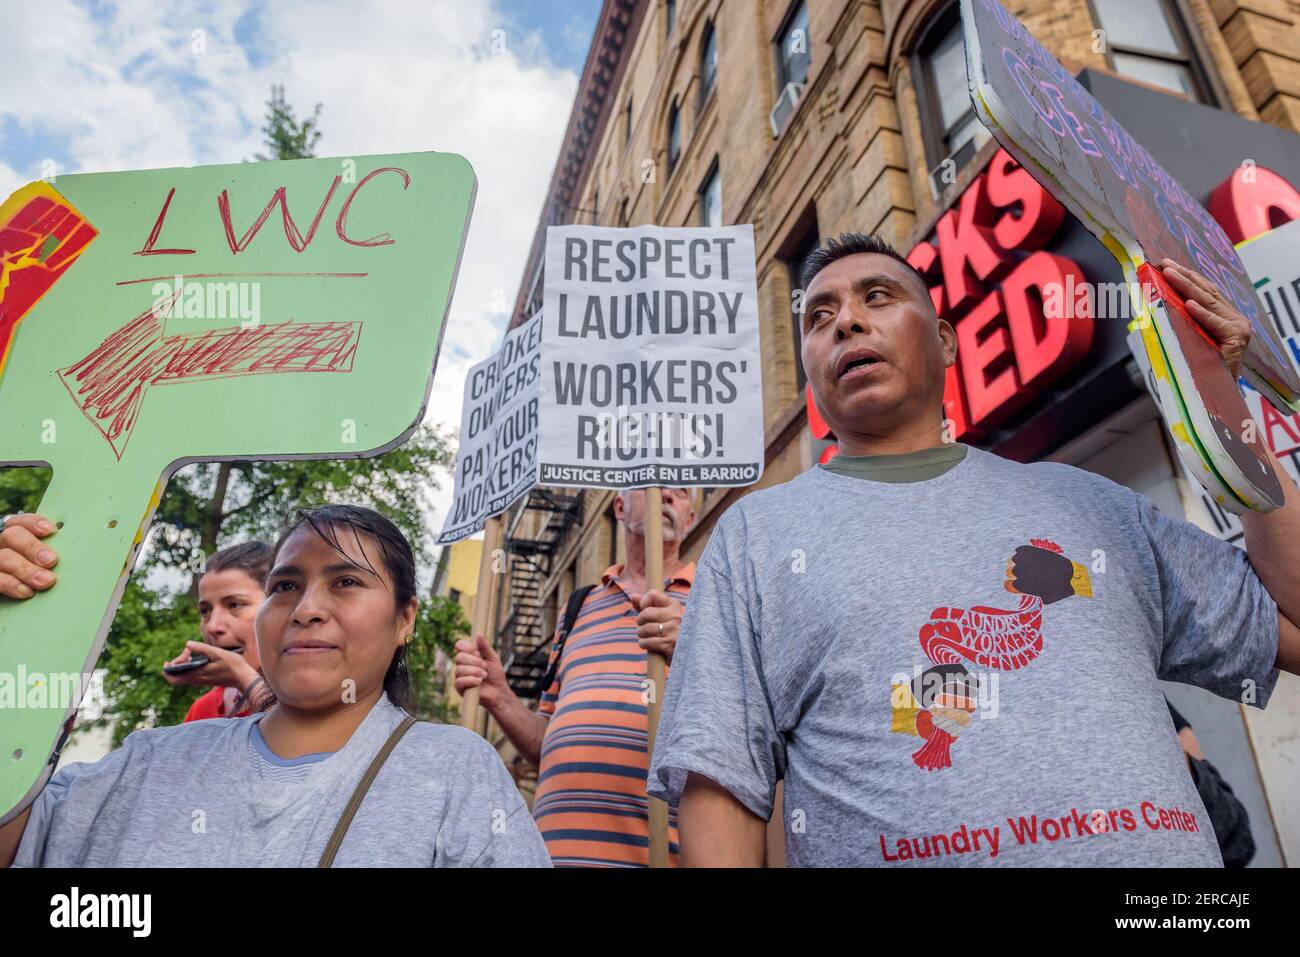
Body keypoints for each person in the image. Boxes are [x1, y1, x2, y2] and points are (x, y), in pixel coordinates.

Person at [647, 233, 1300, 867]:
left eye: (878, 296)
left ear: (944, 340)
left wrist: (1223, 400)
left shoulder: (1098, 505)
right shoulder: (756, 538)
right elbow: (720, 780)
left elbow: (1291, 625)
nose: (846, 321)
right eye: (819, 316)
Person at [0, 504, 551, 867]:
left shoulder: (454, 770)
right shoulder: (146, 762)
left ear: (405, 619)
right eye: (285, 585)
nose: (306, 609)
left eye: (347, 582)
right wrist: (17, 628)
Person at [453, 486, 695, 866]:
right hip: (555, 854)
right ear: (618, 506)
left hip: (658, 853)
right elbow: (545, 744)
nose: (665, 495)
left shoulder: (711, 599)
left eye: (680, 493)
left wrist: (691, 649)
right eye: (653, 485)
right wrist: (499, 695)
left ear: (691, 519)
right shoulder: (577, 608)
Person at [163, 541, 276, 720]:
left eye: (234, 605)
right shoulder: (201, 710)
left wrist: (245, 679)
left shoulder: (322, 696)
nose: (212, 626)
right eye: (205, 611)